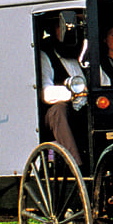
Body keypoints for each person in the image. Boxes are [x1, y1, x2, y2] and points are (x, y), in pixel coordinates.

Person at [39, 11, 86, 163]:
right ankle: (76, 165)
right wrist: (73, 94)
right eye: (63, 28)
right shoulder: (45, 55)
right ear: (54, 29)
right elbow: (46, 92)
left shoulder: (81, 54)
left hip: (83, 109)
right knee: (59, 110)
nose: (70, 32)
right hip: (57, 115)